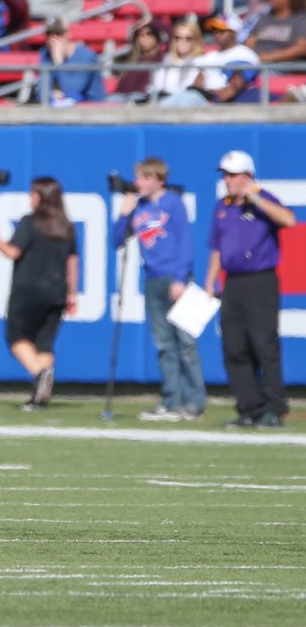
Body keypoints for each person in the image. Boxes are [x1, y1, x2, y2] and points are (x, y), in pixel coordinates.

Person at [204, 151, 297, 429]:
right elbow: (217, 248)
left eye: (232, 175)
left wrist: (255, 198)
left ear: (246, 176)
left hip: (260, 281)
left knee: (264, 345)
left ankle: (274, 408)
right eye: (225, 175)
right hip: (232, 283)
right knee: (234, 346)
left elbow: (288, 220)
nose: (227, 180)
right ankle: (249, 407)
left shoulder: (263, 199)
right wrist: (210, 281)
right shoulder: (223, 207)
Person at [112, 158, 206, 422]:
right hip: (152, 279)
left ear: (158, 180)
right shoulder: (139, 207)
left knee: (186, 343)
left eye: (143, 178)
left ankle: (194, 401)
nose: (138, 183)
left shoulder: (173, 203)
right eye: (137, 177)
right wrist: (124, 213)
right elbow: (117, 240)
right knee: (164, 344)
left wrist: (180, 278)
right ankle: (171, 400)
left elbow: (185, 242)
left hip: (176, 278)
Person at [0, 177, 79, 410]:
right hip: (56, 291)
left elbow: (13, 252)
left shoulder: (31, 221)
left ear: (43, 196)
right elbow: (72, 262)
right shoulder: (65, 226)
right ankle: (40, 394)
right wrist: (72, 293)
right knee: (44, 342)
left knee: (16, 336)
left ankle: (39, 374)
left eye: (34, 193)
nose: (30, 197)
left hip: (28, 289)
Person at [160, 15, 261, 107]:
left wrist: (212, 98)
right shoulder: (210, 56)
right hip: (201, 98)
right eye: (214, 31)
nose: (217, 34)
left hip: (220, 104)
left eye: (221, 31)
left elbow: (234, 88)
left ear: (233, 32)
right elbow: (197, 84)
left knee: (187, 99)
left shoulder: (243, 54)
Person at [37, 18, 106, 106]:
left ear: (68, 34)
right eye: (49, 34)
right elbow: (42, 94)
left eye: (58, 34)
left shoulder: (86, 56)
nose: (53, 39)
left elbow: (71, 89)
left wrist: (58, 63)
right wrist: (51, 94)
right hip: (62, 108)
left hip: (91, 107)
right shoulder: (46, 54)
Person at [244, 0, 306, 64]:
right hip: (255, 64)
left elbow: (301, 49)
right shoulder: (263, 18)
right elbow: (249, 44)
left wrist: (268, 57)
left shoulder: (301, 20)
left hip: (284, 67)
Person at [109, 22, 166, 104]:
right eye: (140, 35)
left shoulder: (161, 57)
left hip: (143, 97)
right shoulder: (131, 57)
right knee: (109, 101)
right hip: (121, 96)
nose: (144, 38)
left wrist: (150, 21)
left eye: (149, 34)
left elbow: (171, 32)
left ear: (156, 37)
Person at [149, 21, 204, 102]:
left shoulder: (202, 61)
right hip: (165, 99)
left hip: (188, 102)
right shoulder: (166, 59)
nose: (182, 42)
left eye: (188, 38)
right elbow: (155, 87)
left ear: (196, 40)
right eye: (178, 38)